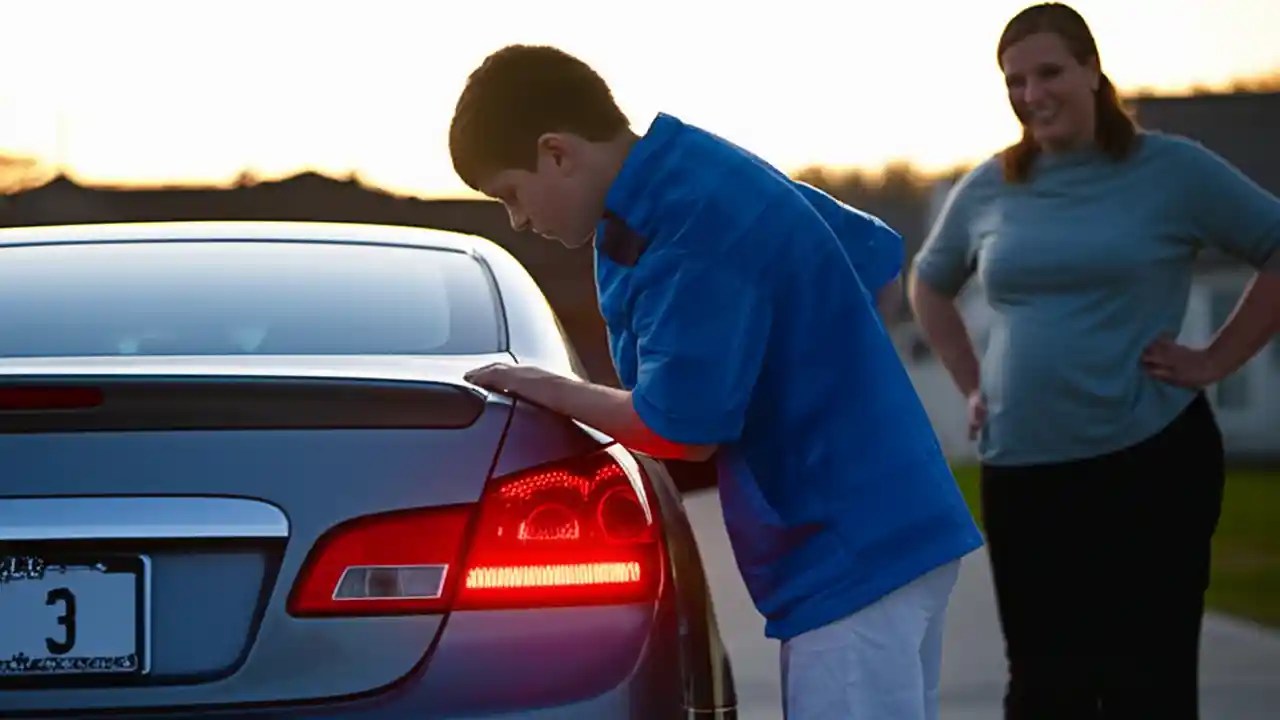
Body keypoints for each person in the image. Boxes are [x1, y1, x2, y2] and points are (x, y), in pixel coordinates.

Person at [450, 45, 983, 719]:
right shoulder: (697, 167)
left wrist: (539, 385)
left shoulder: (684, 228)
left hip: (849, 554)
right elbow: (873, 256)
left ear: (557, 152)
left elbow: (680, 429)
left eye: (511, 194)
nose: (519, 220)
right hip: (898, 523)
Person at [909, 3, 1280, 719]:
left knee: (1151, 684)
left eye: (1048, 72)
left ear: (1091, 70)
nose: (1031, 94)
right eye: (1014, 81)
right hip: (1024, 471)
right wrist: (973, 384)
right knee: (1046, 688)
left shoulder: (1172, 171)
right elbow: (929, 282)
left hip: (1150, 464)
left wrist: (1216, 359)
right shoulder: (992, 184)